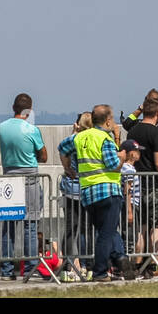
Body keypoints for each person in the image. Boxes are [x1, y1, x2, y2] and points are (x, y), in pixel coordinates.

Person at [66, 105, 135, 281]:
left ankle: (119, 257)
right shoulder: (105, 139)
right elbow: (113, 165)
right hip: (108, 191)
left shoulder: (79, 137)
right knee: (106, 233)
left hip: (88, 193)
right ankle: (101, 271)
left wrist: (67, 168)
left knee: (106, 230)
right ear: (107, 121)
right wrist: (121, 156)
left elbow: (62, 148)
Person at [0, 93, 47, 279]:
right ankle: (31, 269)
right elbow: (43, 156)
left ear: (13, 107)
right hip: (30, 178)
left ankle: (6, 270)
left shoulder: (2, 127)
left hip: (8, 176)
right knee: (30, 225)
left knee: (8, 225)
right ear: (29, 110)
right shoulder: (31, 129)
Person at [126, 96, 158, 275]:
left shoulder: (132, 131)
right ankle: (154, 264)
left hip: (137, 183)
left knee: (141, 228)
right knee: (156, 227)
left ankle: (138, 265)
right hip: (154, 185)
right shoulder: (156, 133)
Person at [57, 112, 94, 274]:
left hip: (72, 188)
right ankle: (86, 263)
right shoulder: (94, 139)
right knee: (87, 229)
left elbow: (63, 148)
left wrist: (67, 168)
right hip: (88, 188)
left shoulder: (74, 140)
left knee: (71, 228)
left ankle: (71, 263)